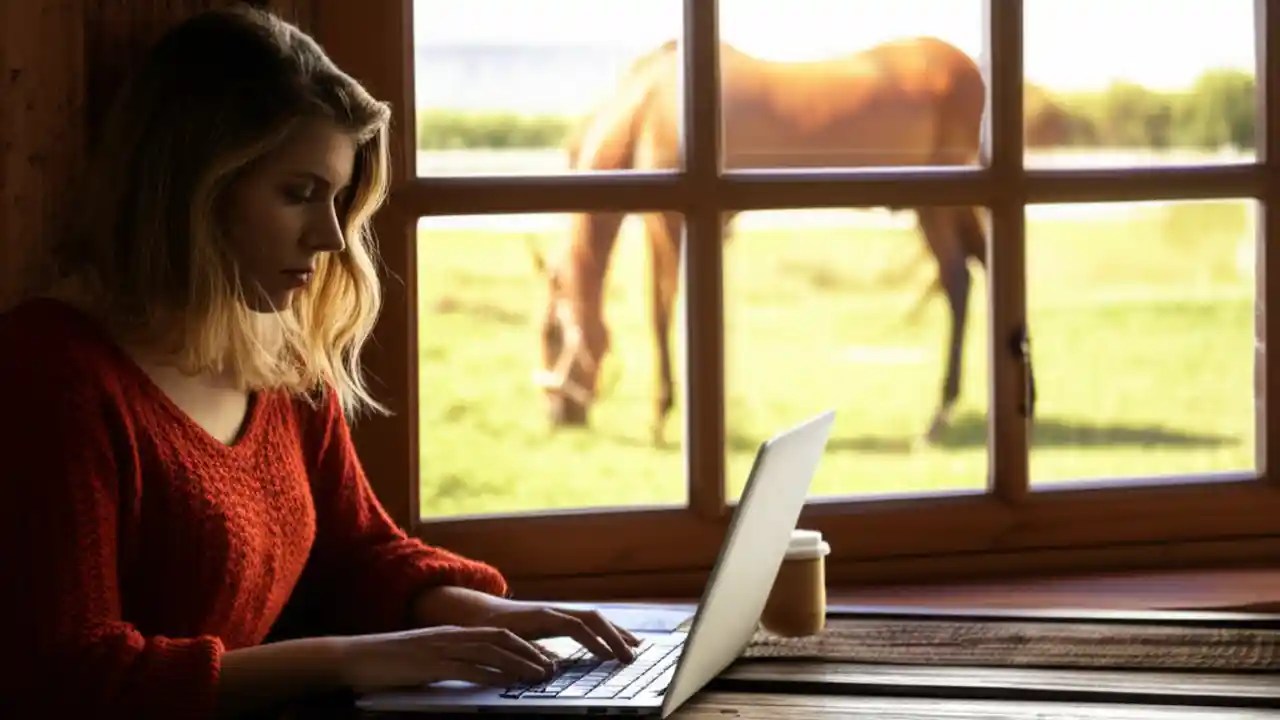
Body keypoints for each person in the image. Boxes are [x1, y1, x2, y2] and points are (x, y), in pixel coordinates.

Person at [0, 6, 637, 719]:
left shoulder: (280, 359)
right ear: (190, 190)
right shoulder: (53, 373)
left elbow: (355, 551)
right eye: (299, 194)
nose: (332, 235)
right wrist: (358, 658)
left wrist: (481, 612)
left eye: (338, 198)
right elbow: (70, 674)